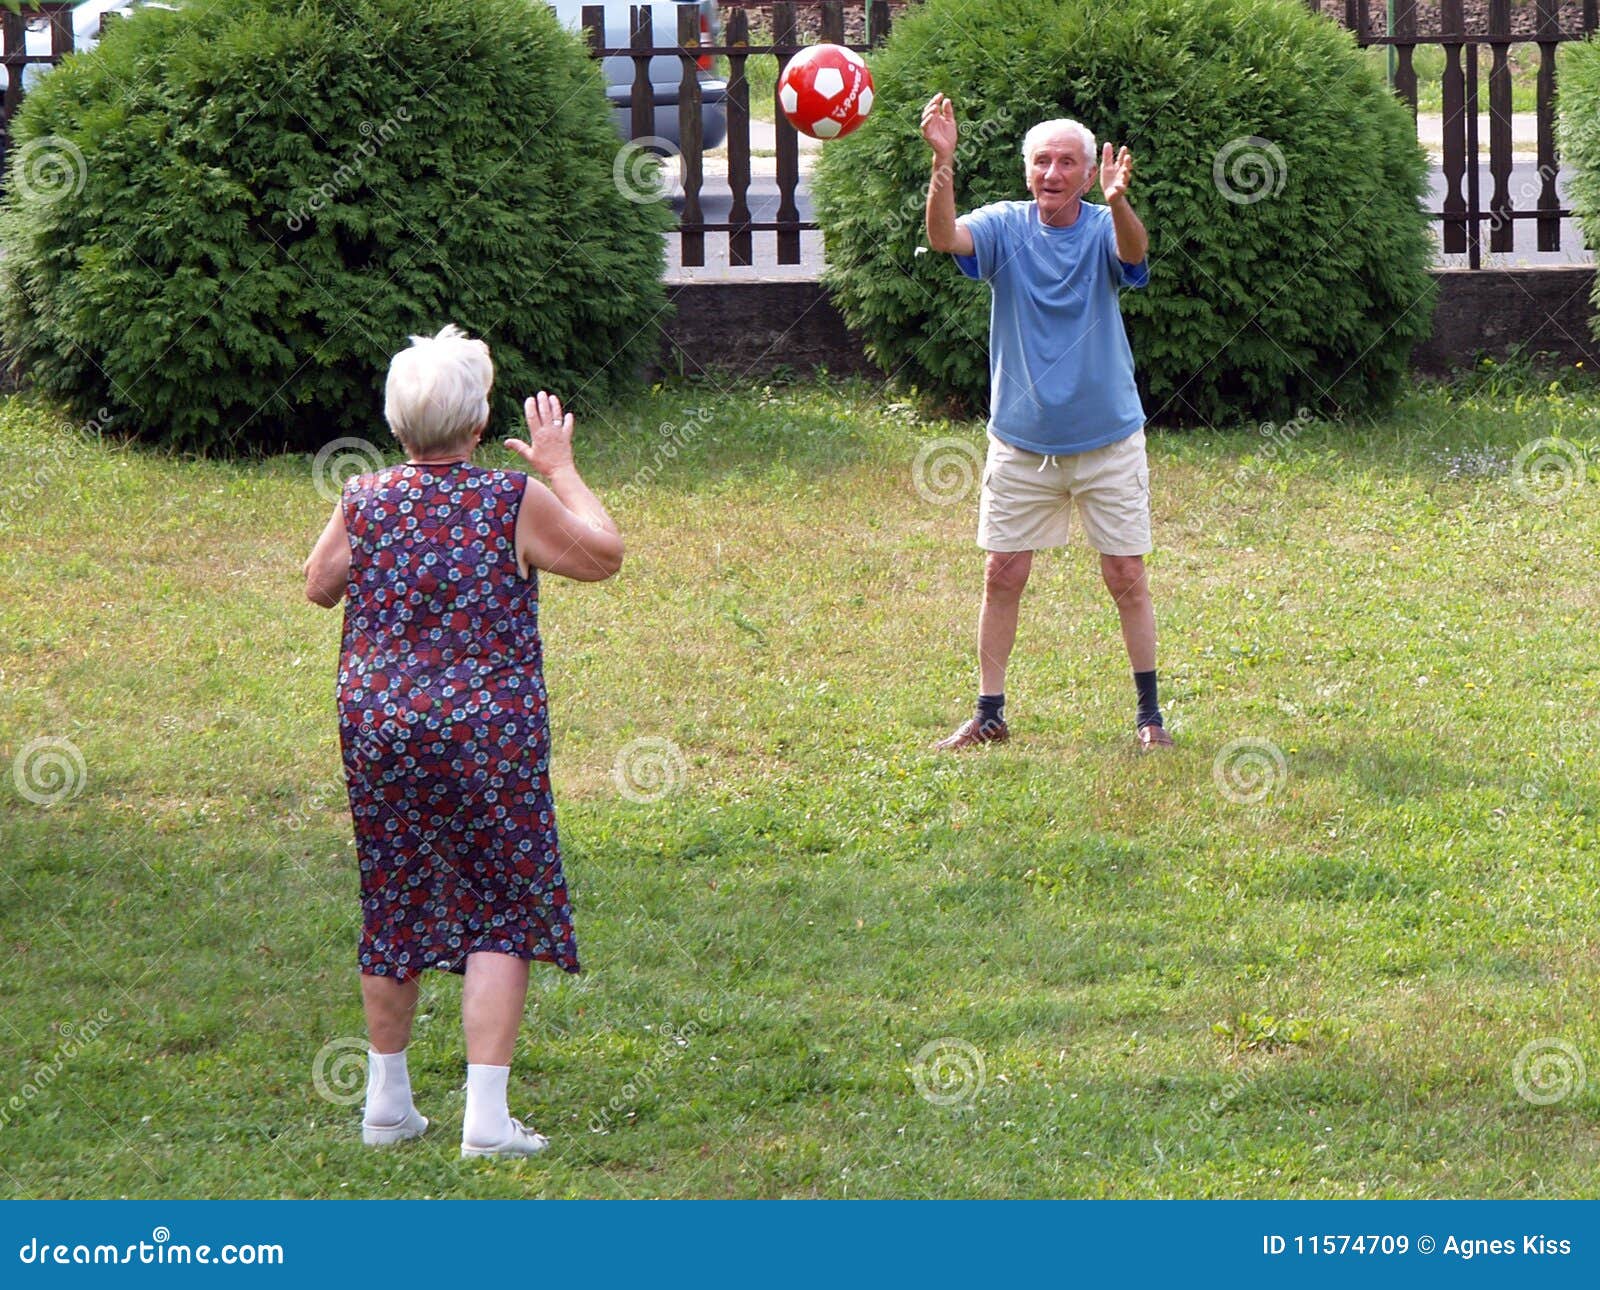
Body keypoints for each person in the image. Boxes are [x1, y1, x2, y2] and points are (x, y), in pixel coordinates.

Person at [302, 324, 623, 1157]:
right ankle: (485, 1120)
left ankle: (387, 1106)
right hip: (488, 732)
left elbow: (317, 586)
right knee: (501, 908)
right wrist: (560, 468)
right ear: (477, 425)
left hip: (378, 727)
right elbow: (603, 555)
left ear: (396, 423)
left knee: (394, 897)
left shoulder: (363, 498)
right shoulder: (510, 500)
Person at [920, 94, 1172, 753]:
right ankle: (990, 714)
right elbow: (944, 237)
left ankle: (1150, 717)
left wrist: (1120, 205)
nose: (1052, 172)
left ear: (1089, 176)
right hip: (1021, 442)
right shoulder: (1003, 226)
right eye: (1041, 162)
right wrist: (942, 163)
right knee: (1002, 571)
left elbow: (1135, 258)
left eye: (1066, 162)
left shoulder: (1101, 227)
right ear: (1026, 171)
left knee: (1126, 576)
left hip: (1108, 439)